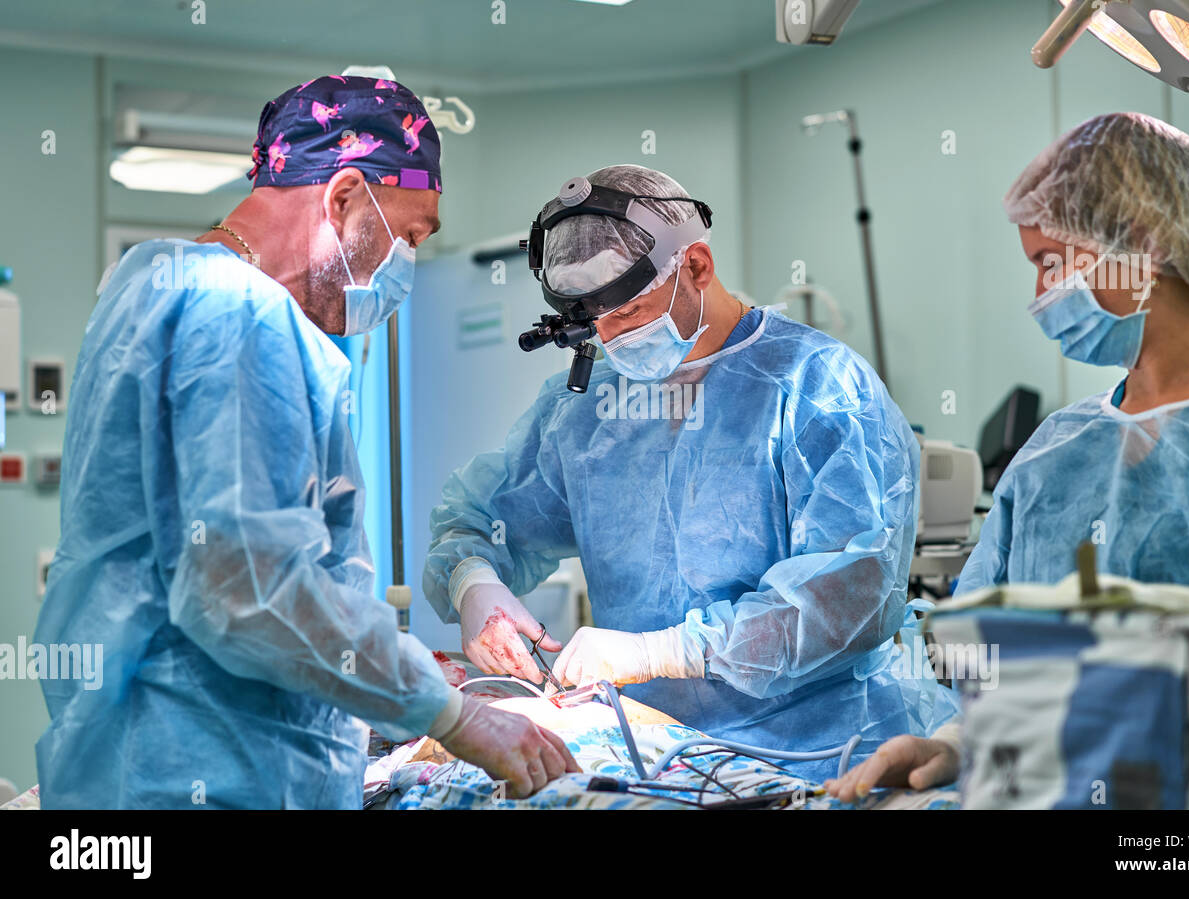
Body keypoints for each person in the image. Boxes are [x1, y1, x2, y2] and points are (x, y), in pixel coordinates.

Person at [34, 75, 575, 809]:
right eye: (410, 235)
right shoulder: (245, 318)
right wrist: (454, 715)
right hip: (215, 773)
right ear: (344, 196)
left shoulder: (144, 285)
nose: (405, 266)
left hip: (128, 762)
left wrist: (388, 673)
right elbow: (246, 591)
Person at [423, 164, 959, 780]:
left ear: (696, 267)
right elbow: (478, 520)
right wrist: (473, 584)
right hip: (656, 754)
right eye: (592, 322)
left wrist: (664, 651)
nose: (610, 337)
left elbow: (851, 593)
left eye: (628, 312)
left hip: (828, 752)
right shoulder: (588, 407)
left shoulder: (817, 387)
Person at [826, 110, 1189, 803]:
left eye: (1049, 263)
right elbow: (995, 668)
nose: (1040, 297)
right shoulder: (1055, 451)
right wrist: (955, 744)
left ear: (1142, 242)